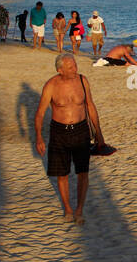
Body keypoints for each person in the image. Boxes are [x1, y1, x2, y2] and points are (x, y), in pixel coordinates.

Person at [34, 53, 105, 223]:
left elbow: (90, 106)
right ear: (60, 70)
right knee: (62, 173)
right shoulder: (51, 85)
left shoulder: (82, 81)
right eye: (71, 67)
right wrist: (38, 137)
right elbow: (40, 113)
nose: (75, 68)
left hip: (81, 130)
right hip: (59, 132)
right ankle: (67, 208)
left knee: (83, 172)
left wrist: (98, 132)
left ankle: (79, 209)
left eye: (75, 64)